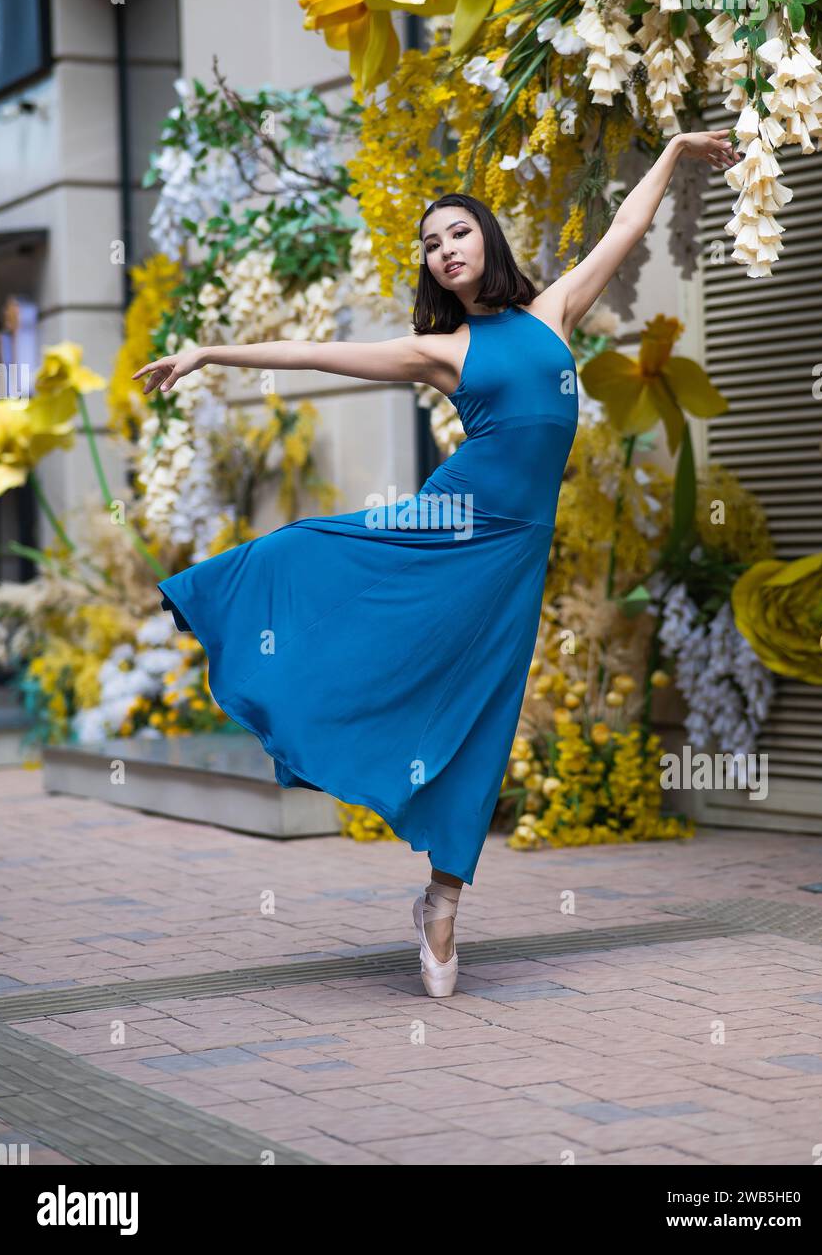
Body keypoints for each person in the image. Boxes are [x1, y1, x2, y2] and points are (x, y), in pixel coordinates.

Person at [132, 128, 740, 997]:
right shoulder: (443, 351)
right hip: (447, 526)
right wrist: (207, 353)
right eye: (430, 244)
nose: (445, 249)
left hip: (512, 557)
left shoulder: (553, 313)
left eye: (457, 232)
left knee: (483, 720)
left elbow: (625, 228)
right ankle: (220, 600)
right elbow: (314, 355)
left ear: (487, 240)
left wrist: (676, 149)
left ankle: (441, 904)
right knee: (303, 551)